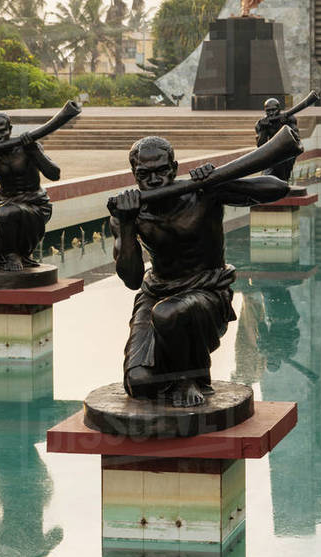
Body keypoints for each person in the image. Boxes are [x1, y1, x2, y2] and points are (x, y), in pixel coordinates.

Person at [109, 136, 290, 407]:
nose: (155, 180)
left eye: (162, 171)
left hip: (207, 289)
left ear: (175, 168)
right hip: (157, 290)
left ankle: (188, 378)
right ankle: (171, 375)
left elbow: (277, 187)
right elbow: (132, 280)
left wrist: (218, 181)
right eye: (145, 174)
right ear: (134, 174)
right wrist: (125, 224)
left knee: (168, 312)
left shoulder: (203, 193)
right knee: (139, 383)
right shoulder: (129, 213)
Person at [0, 111, 60, 271]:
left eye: (1, 131)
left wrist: (34, 151)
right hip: (3, 204)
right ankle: (12, 256)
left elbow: (55, 174)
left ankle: (13, 254)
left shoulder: (27, 149)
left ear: (10, 128)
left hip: (35, 203)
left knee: (6, 212)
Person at [255, 98, 299, 181]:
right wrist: (264, 130)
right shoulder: (261, 123)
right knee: (266, 176)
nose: (271, 113)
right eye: (268, 111)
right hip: (271, 152)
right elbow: (260, 146)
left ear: (279, 109)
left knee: (283, 175)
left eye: (273, 110)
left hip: (287, 151)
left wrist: (285, 126)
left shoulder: (289, 119)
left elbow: (296, 138)